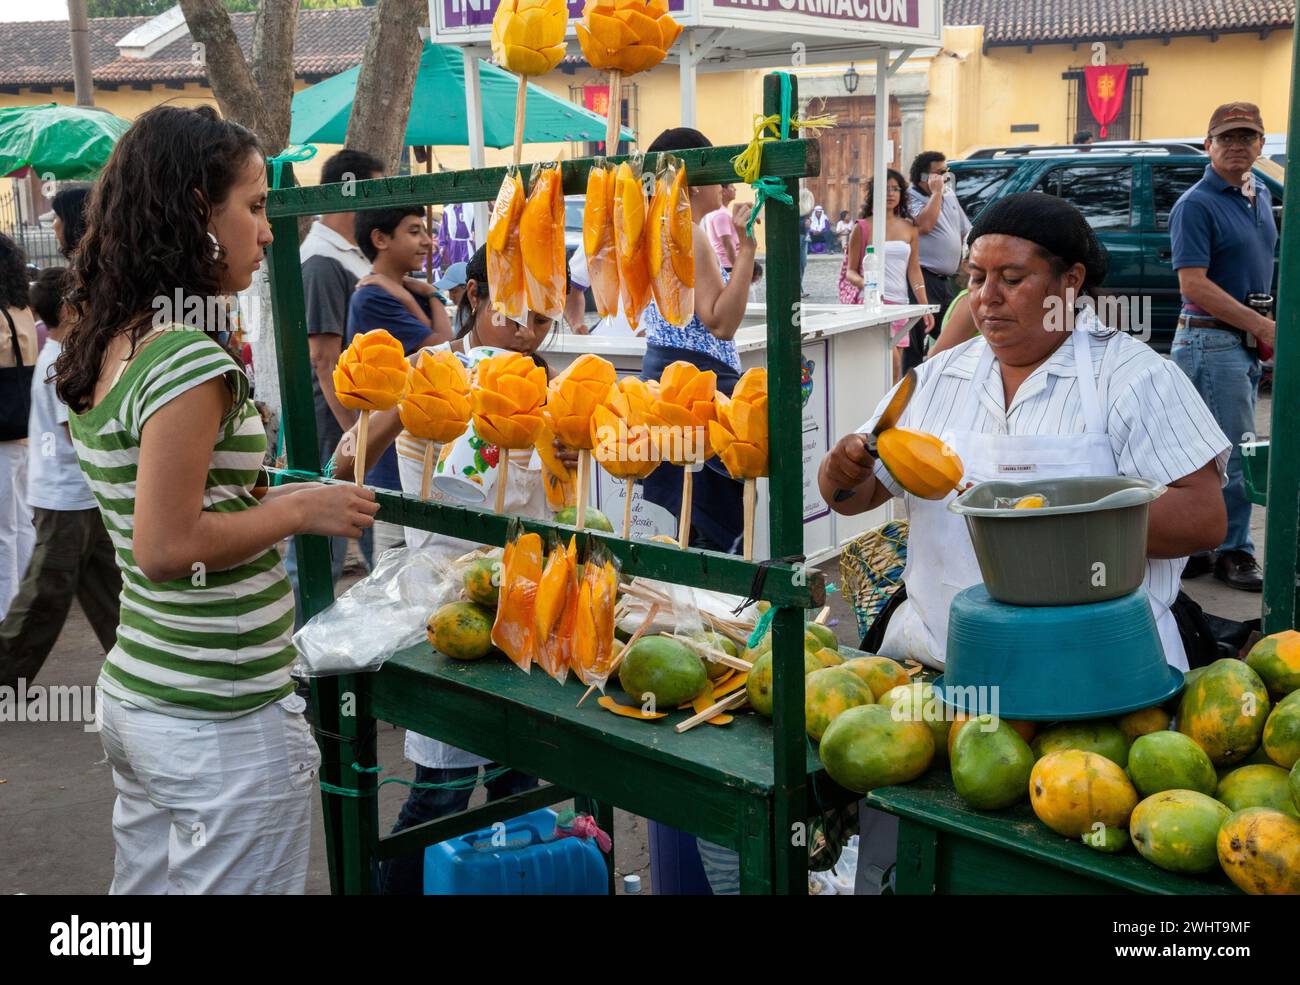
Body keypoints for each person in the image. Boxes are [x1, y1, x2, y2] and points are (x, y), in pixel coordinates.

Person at [55, 105, 379, 894]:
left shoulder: (115, 335)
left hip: (149, 696)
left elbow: (166, 494)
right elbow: (167, 547)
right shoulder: (187, 358)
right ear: (199, 210)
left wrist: (267, 488)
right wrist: (301, 513)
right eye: (257, 206)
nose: (269, 232)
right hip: (216, 717)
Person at [821, 192, 1230, 676]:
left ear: (1070, 282)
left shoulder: (1135, 377)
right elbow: (853, 497)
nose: (986, 296)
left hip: (1096, 673)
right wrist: (840, 470)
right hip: (940, 660)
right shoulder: (934, 379)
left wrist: (1048, 523)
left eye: (1012, 279)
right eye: (975, 278)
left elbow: (1204, 519)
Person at [331, 244, 565, 896]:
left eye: (543, 320)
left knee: (521, 786)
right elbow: (348, 456)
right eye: (515, 312)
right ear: (474, 294)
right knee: (442, 791)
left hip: (520, 603)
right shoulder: (429, 367)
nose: (527, 331)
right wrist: (408, 401)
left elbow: (558, 502)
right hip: (445, 605)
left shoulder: (543, 384)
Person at [1168, 102, 1277, 592]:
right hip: (1210, 340)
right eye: (1227, 138)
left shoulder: (1253, 198)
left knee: (1222, 451)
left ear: (1260, 144)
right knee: (1230, 454)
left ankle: (1202, 545)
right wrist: (1260, 323)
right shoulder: (1197, 203)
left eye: (1247, 137)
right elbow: (1192, 284)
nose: (1237, 146)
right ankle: (1234, 551)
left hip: (1241, 342)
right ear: (1208, 145)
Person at [0, 268, 121, 688]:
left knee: (112, 591)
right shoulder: (63, 364)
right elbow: (78, 434)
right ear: (69, 309)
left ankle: (135, 664)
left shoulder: (62, 356)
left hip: (78, 498)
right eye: (85, 301)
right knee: (44, 599)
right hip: (64, 500)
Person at [638, 127, 756, 553]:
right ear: (690, 177)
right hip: (698, 383)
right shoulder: (688, 232)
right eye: (718, 172)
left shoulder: (651, 226)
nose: (726, 185)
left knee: (689, 522)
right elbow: (721, 322)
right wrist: (746, 252)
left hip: (664, 378)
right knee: (716, 529)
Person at [288, 149, 384, 607]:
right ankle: (306, 658)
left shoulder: (348, 255)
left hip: (355, 428)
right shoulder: (322, 262)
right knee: (318, 551)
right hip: (333, 428)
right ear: (351, 193)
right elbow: (324, 361)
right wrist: (358, 437)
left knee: (374, 540)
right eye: (376, 191)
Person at [345, 205, 451, 563]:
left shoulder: (413, 292)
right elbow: (442, 350)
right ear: (380, 239)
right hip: (391, 466)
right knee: (397, 571)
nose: (427, 241)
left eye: (425, 230)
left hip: (426, 459)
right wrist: (415, 295)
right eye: (414, 231)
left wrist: (424, 293)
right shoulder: (372, 297)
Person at [842, 171, 933, 380]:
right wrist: (868, 285)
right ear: (875, 193)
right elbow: (850, 272)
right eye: (885, 189)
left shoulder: (910, 228)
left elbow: (914, 270)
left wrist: (924, 307)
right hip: (874, 305)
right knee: (890, 366)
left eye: (895, 189)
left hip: (900, 306)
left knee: (894, 374)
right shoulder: (863, 227)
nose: (890, 194)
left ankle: (889, 412)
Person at [0, 234, 38, 619]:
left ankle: (7, 611)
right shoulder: (23, 310)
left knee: (3, 530)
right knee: (21, 523)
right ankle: (29, 601)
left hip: (4, 435)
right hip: (22, 430)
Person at [906, 151, 971, 365]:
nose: (945, 176)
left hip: (945, 280)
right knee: (917, 335)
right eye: (940, 172)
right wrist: (935, 194)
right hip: (924, 276)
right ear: (925, 177)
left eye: (946, 171)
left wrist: (963, 262)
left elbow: (963, 229)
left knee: (954, 334)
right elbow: (924, 225)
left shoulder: (949, 194)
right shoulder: (910, 197)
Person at [703, 183, 740, 273]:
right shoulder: (721, 213)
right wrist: (736, 267)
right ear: (723, 191)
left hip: (726, 264)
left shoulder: (721, 211)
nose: (735, 189)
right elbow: (726, 242)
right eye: (731, 186)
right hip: (728, 265)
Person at [436, 202, 476, 276]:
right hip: (454, 244)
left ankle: (467, 283)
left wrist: (475, 234)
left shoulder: (471, 207)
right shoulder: (447, 210)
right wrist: (442, 245)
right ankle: (458, 284)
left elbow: (475, 223)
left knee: (467, 265)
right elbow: (443, 228)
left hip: (467, 242)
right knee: (455, 265)